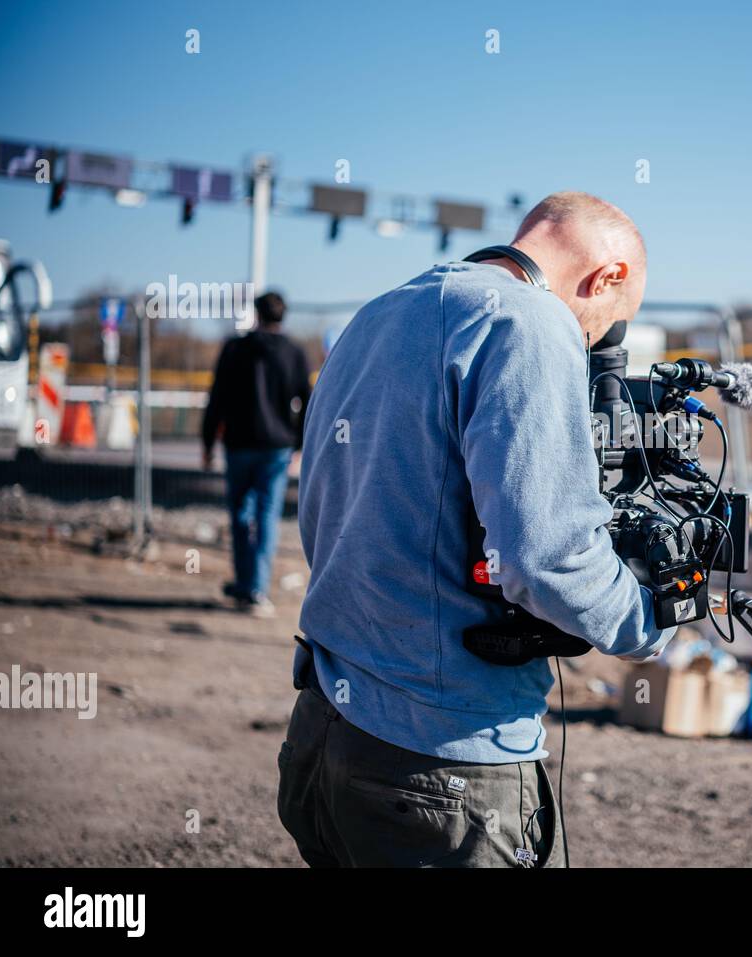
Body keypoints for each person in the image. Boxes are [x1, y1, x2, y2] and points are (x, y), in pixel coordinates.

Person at [277, 191, 675, 868]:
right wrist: (645, 621)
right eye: (608, 326)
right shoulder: (530, 322)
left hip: (323, 732)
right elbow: (546, 558)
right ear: (606, 277)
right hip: (439, 765)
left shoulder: (378, 314)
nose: (595, 344)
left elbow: (330, 500)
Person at [202, 291, 311, 618]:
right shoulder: (294, 353)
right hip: (276, 447)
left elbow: (217, 397)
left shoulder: (235, 348)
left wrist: (207, 443)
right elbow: (308, 400)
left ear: (257, 314)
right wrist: (300, 443)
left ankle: (245, 581)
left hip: (238, 444)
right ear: (283, 316)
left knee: (239, 514)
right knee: (266, 516)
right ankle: (256, 589)